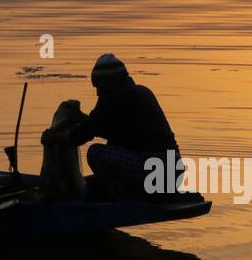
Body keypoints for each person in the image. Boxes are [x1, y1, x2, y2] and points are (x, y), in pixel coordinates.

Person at [41, 53, 181, 202]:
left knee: (96, 153)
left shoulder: (115, 97)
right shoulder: (138, 92)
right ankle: (131, 193)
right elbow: (106, 129)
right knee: (95, 180)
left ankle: (127, 200)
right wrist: (82, 118)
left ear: (110, 82)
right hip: (171, 171)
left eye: (99, 86)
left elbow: (79, 136)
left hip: (159, 170)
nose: (97, 92)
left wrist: (52, 137)